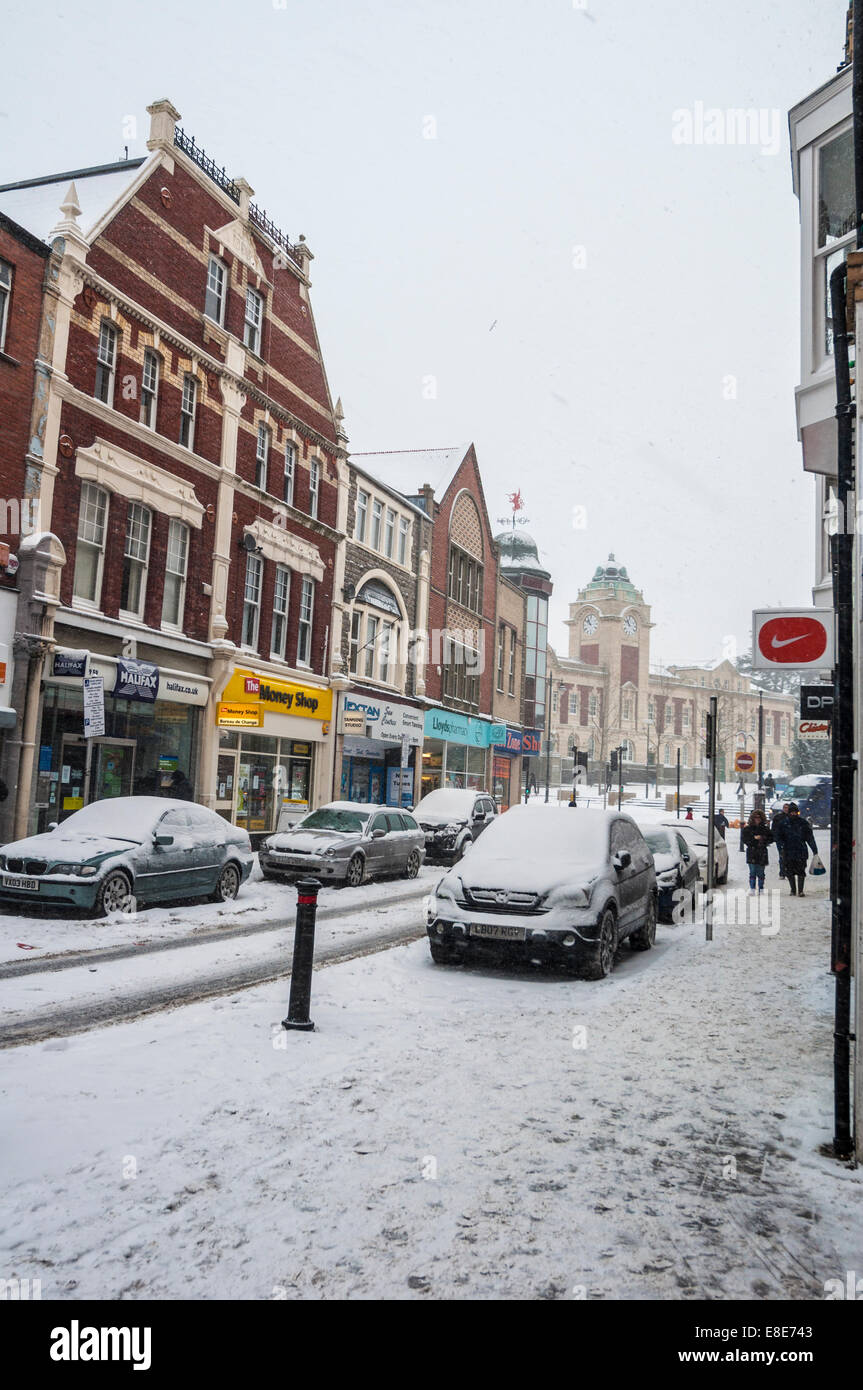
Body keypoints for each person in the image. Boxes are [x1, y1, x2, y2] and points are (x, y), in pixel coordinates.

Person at [774, 802, 817, 897]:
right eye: (791, 812)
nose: (793, 814)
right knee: (790, 871)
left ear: (797, 812)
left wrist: (814, 850)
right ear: (789, 813)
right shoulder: (783, 824)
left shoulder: (803, 823)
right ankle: (793, 889)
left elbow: (810, 838)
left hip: (800, 851)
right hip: (788, 851)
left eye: (795, 812)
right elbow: (778, 837)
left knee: (801, 871)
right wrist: (781, 847)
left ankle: (800, 890)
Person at [741, 809, 773, 894]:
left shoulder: (765, 829)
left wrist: (763, 839)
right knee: (752, 871)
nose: (757, 819)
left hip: (761, 851)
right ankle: (752, 888)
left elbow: (771, 838)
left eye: (759, 818)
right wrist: (753, 839)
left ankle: (761, 888)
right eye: (756, 817)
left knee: (761, 872)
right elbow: (744, 839)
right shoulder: (747, 829)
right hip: (752, 851)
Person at [771, 802, 791, 879]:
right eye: (785, 808)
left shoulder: (791, 817)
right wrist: (775, 837)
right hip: (780, 840)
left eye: (787, 808)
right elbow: (774, 828)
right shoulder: (778, 817)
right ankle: (782, 872)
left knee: (788, 856)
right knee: (782, 856)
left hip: (789, 840)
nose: (786, 809)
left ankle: (787, 871)